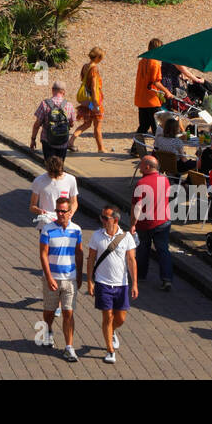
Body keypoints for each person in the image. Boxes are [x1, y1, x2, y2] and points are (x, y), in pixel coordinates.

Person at [86, 206, 136, 364]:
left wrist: (134, 284)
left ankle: (112, 330)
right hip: (103, 283)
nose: (102, 220)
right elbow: (91, 259)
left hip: (121, 285)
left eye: (106, 218)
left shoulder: (126, 237)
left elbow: (131, 260)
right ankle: (110, 350)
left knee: (120, 318)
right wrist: (89, 281)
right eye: (102, 217)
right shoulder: (96, 236)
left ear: (115, 219)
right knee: (107, 316)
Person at [39, 199, 83, 362]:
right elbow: (43, 254)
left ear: (70, 212)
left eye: (63, 211)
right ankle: (48, 329)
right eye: (58, 211)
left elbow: (79, 253)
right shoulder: (47, 229)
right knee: (49, 312)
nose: (60, 214)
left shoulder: (76, 230)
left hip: (70, 279)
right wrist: (49, 276)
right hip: (52, 278)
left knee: (68, 312)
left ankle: (69, 347)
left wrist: (79, 275)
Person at [133, 155, 173, 291]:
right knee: (163, 250)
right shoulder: (165, 180)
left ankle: (140, 275)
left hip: (145, 223)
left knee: (143, 249)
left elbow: (137, 207)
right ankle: (167, 278)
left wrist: (133, 223)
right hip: (163, 221)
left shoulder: (141, 184)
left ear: (147, 167)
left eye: (141, 164)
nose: (139, 166)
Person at [134, 38, 175, 134]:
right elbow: (155, 82)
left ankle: (135, 147)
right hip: (152, 100)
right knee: (156, 128)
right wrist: (167, 92)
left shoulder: (142, 61)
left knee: (143, 126)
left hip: (141, 99)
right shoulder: (155, 63)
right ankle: (157, 148)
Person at [29, 154, 78, 229]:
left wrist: (70, 213)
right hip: (45, 225)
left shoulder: (71, 179)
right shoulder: (39, 181)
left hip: (64, 223)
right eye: (51, 174)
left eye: (57, 174)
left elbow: (74, 202)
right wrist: (40, 211)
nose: (54, 177)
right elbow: (32, 206)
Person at [71, 47, 106, 153]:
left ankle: (70, 141)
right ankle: (101, 148)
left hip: (86, 101)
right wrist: (96, 104)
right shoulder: (94, 69)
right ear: (98, 57)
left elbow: (84, 81)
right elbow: (94, 87)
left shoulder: (85, 66)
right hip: (93, 101)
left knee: (87, 123)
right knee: (97, 124)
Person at [31, 81, 76, 162]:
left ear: (52, 90)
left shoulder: (44, 104)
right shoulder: (69, 105)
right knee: (60, 167)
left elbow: (37, 124)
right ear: (63, 92)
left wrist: (33, 139)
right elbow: (72, 124)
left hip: (47, 141)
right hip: (63, 142)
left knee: (49, 167)